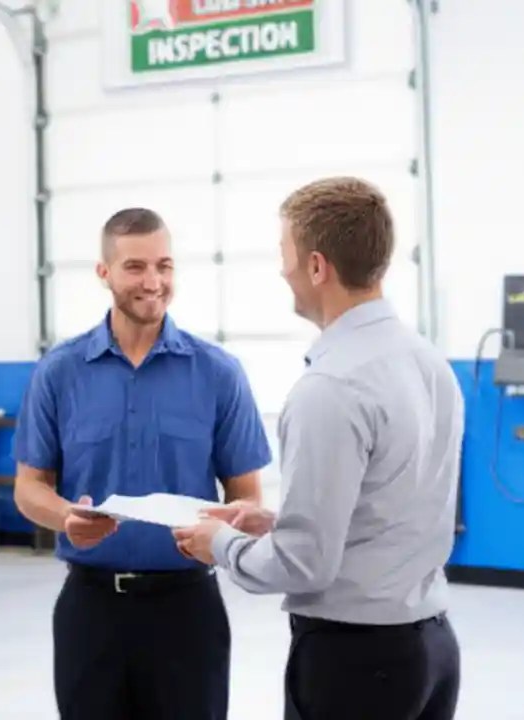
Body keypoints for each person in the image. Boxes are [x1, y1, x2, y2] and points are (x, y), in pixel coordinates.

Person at [173, 176, 465, 720]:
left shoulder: (330, 387)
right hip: (430, 649)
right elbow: (389, 504)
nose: (280, 269)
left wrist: (220, 544)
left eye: (283, 252)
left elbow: (304, 566)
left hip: (355, 662)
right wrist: (272, 521)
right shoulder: (428, 364)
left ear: (315, 266)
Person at [12, 207, 274, 720]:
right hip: (90, 611)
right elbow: (29, 487)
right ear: (104, 272)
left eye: (165, 266)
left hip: (187, 610)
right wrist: (65, 516)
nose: (153, 282)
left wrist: (224, 526)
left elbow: (248, 497)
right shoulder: (60, 373)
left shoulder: (218, 373)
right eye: (135, 267)